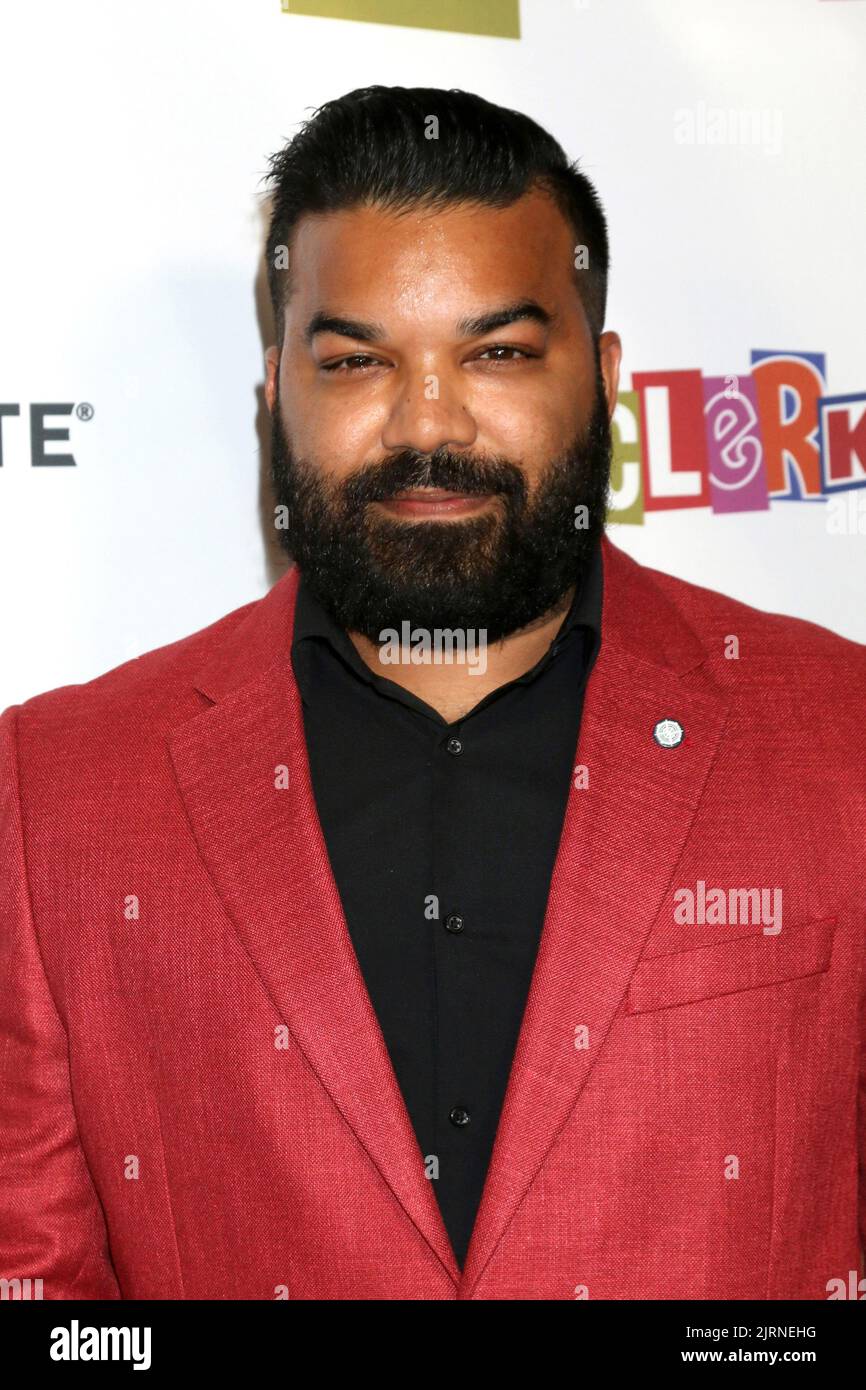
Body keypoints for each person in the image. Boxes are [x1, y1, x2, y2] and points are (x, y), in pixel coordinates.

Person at [1, 86, 863, 1301]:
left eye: (497, 351)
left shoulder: (839, 739)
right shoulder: (59, 793)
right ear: (272, 394)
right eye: (355, 360)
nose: (427, 422)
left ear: (604, 375)